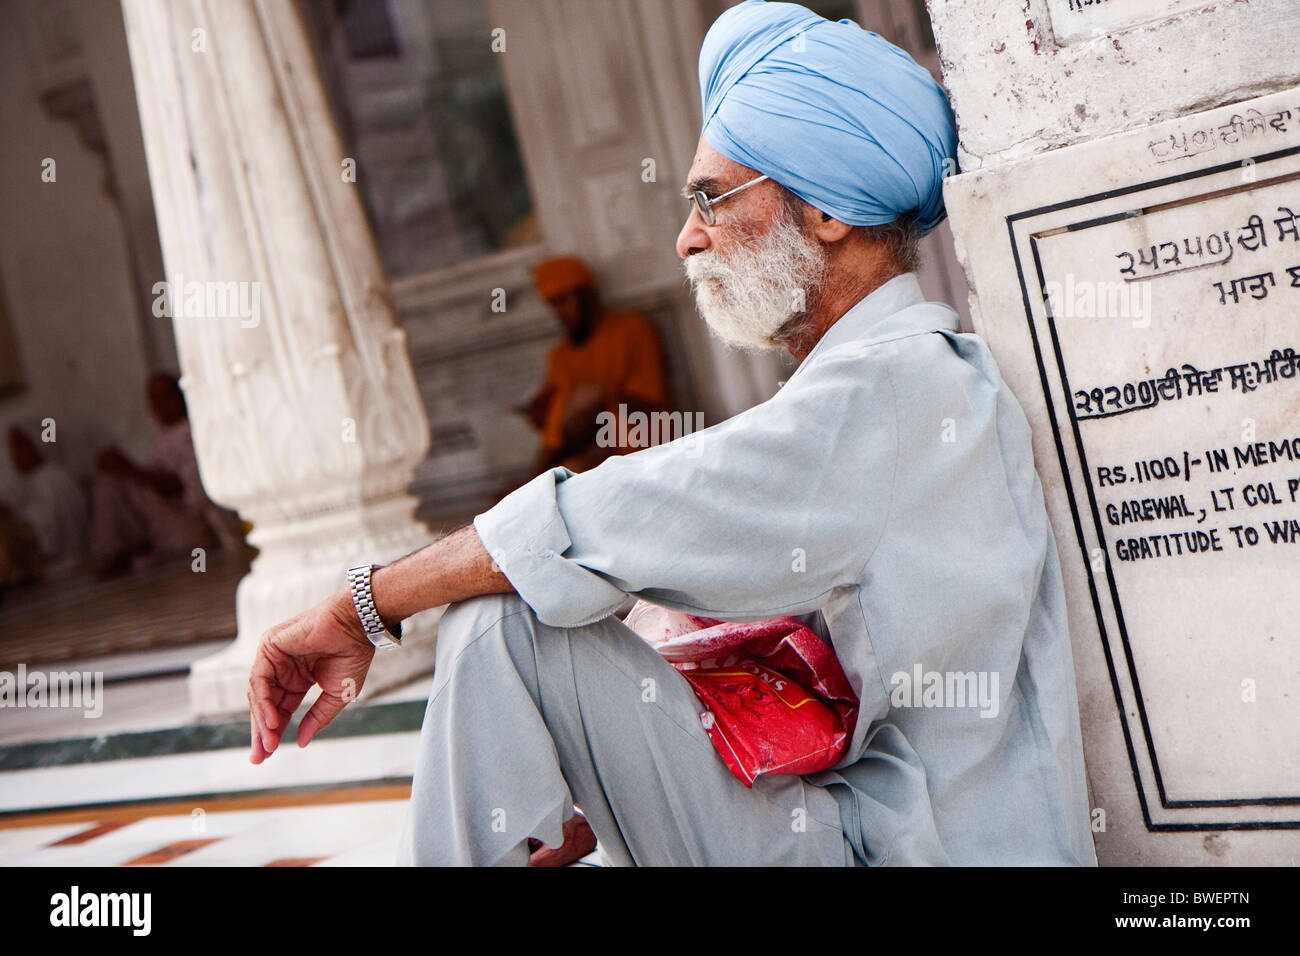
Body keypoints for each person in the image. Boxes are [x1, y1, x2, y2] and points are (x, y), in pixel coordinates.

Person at [248, 0, 1096, 867]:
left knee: (500, 620)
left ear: (829, 213)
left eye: (712, 197)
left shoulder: (895, 390)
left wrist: (366, 604)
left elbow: (601, 519)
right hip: (847, 817)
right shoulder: (909, 374)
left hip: (892, 849)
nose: (688, 238)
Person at [518, 256, 672, 475]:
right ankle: (532, 484)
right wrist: (542, 412)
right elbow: (556, 427)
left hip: (633, 440)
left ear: (586, 295)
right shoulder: (560, 355)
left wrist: (598, 400)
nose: (559, 314)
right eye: (553, 305)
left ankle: (531, 484)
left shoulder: (632, 330)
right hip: (582, 447)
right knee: (566, 472)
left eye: (563, 301)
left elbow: (648, 404)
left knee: (585, 400)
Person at [91, 374, 243, 576]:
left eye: (166, 396)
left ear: (182, 397)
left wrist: (129, 470)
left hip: (196, 527)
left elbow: (187, 488)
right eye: (154, 398)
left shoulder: (196, 432)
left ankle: (117, 551)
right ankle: (119, 550)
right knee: (109, 478)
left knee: (113, 479)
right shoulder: (162, 441)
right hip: (165, 526)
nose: (160, 404)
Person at [2, 426, 87, 578]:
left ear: (40, 444)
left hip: (60, 560)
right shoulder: (25, 481)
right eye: (13, 448)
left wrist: (9, 519)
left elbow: (48, 530)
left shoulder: (51, 478)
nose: (15, 454)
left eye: (21, 446)